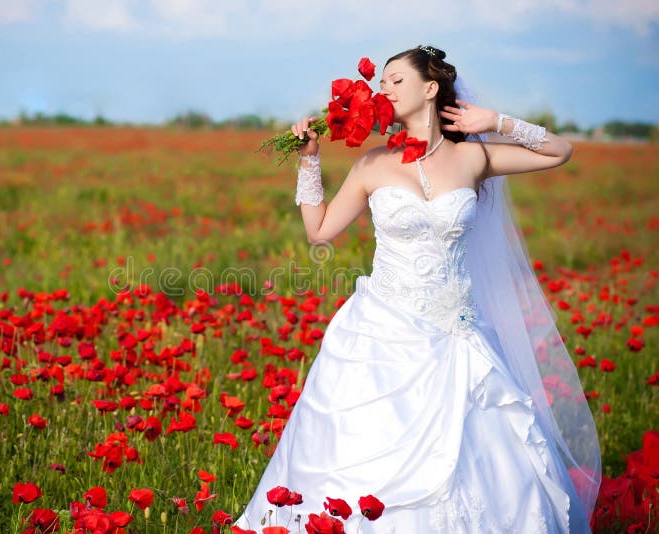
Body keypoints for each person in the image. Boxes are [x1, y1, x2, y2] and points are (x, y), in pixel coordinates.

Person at [231, 45, 601, 533]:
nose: (383, 89)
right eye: (381, 83)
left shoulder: (473, 157)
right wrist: (309, 160)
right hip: (382, 333)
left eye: (395, 81)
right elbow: (319, 232)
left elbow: (561, 151)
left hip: (459, 336)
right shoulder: (372, 165)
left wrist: (497, 121)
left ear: (430, 89)